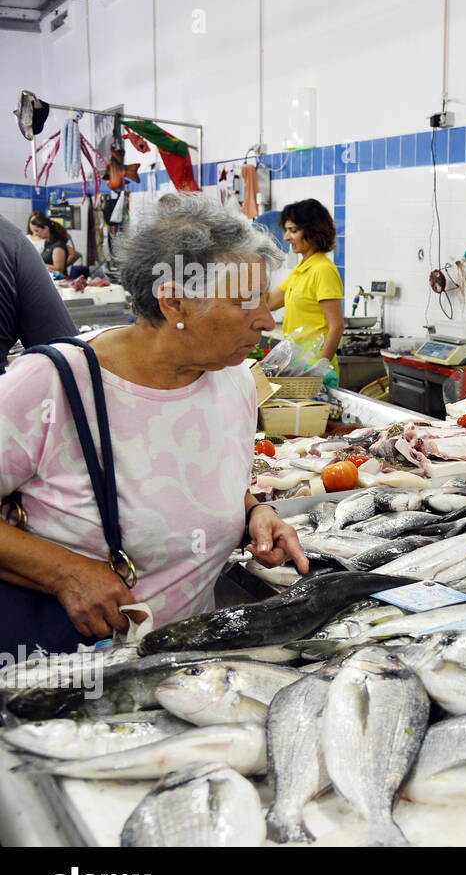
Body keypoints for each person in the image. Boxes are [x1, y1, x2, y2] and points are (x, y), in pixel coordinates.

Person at [0, 195, 309, 648]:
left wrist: (254, 512)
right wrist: (63, 573)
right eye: (246, 301)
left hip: (184, 671)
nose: (266, 319)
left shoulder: (235, 380)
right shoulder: (52, 383)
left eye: (264, 298)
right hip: (69, 677)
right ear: (174, 304)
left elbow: (209, 483)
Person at [266, 199, 343, 373]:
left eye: (292, 230)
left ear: (313, 231)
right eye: (286, 231)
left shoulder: (322, 269)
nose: (286, 237)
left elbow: (336, 326)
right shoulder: (300, 270)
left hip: (314, 367)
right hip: (295, 366)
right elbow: (268, 302)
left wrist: (319, 368)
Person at [0, 215, 76, 371]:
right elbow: (64, 354)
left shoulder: (56, 246)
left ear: (45, 228)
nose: (36, 234)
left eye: (37, 231)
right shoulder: (11, 241)